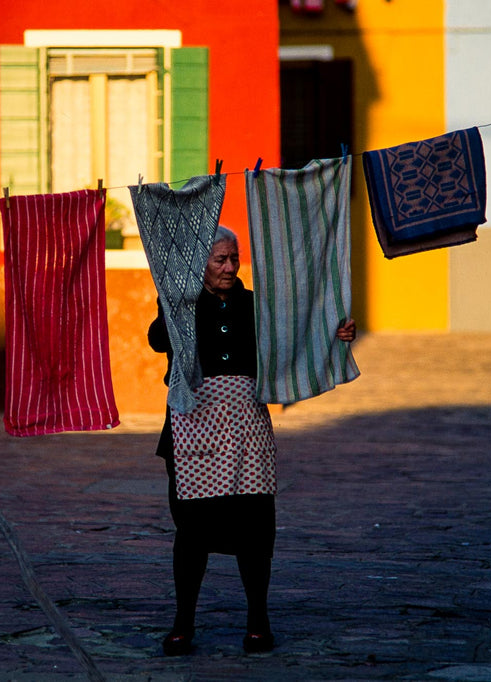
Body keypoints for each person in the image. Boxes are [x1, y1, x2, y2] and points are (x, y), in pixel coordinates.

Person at [148, 226, 356, 656]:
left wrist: (336, 335)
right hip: (193, 430)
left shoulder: (254, 305)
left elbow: (294, 340)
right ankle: (183, 623)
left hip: (248, 431)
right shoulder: (182, 303)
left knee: (255, 526)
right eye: (219, 260)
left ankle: (258, 620)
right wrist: (178, 302)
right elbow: (156, 340)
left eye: (233, 259)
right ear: (200, 264)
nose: (229, 268)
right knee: (191, 528)